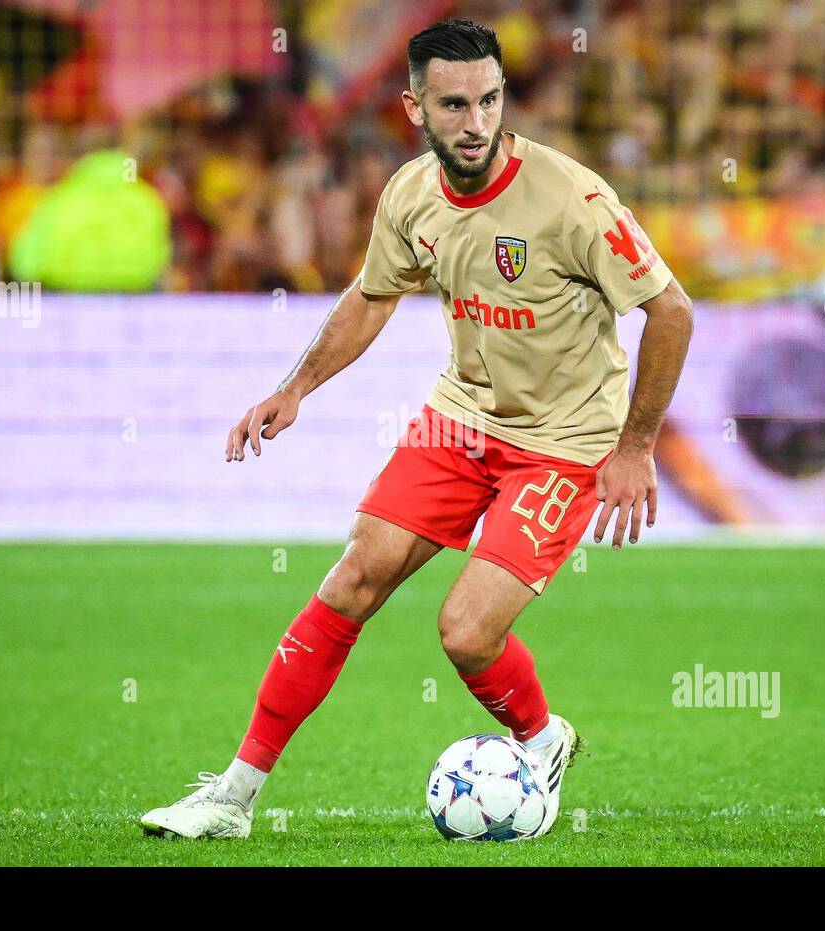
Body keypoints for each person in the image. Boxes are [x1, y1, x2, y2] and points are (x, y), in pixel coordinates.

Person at [141, 18, 693, 840]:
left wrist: (637, 444)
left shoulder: (573, 199)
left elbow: (670, 311)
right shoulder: (410, 196)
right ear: (415, 108)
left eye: (490, 101)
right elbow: (372, 296)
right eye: (455, 104)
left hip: (564, 441)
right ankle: (233, 795)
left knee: (467, 633)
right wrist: (295, 389)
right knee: (353, 576)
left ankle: (540, 738)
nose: (476, 122)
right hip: (461, 419)